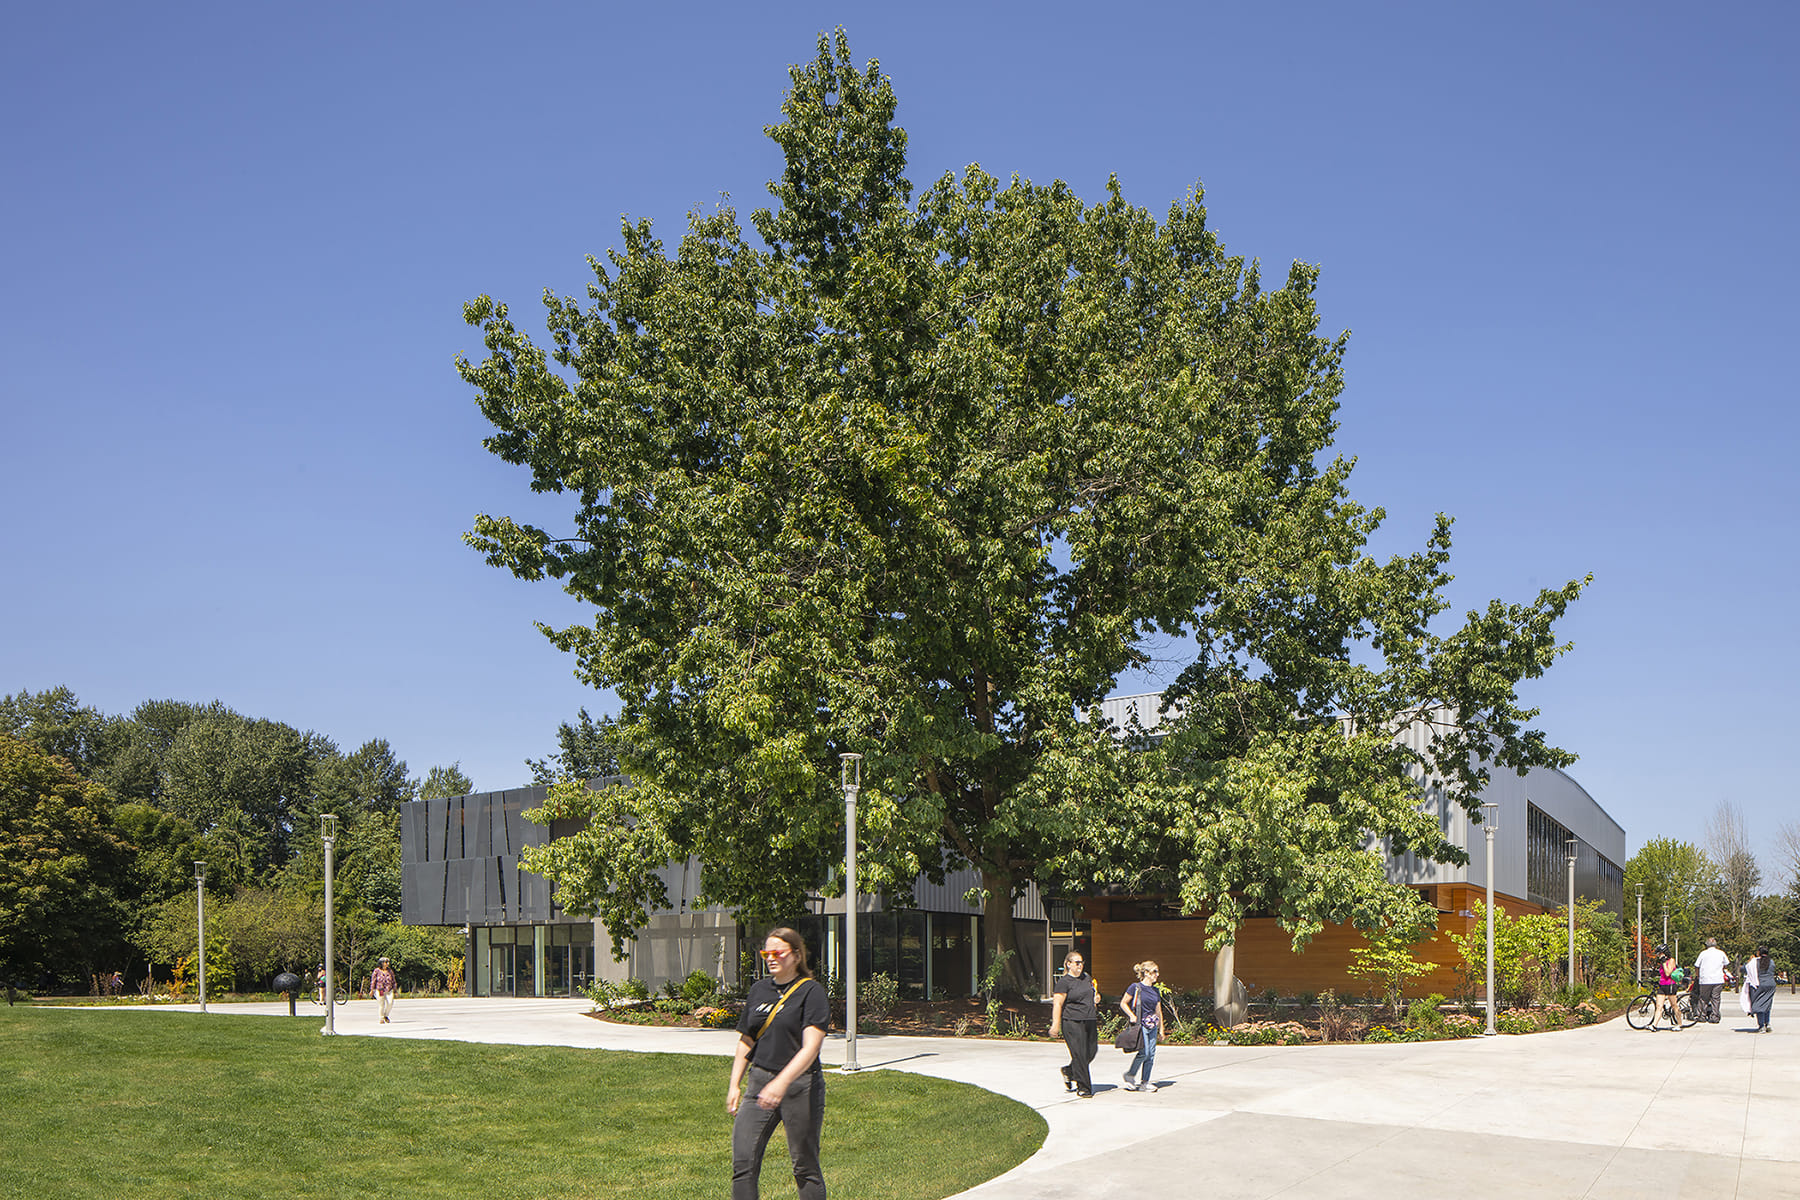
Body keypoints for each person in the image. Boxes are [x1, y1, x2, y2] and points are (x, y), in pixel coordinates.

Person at [728, 928, 828, 1200]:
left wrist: (781, 1082)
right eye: (766, 953)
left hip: (800, 1085)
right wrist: (735, 1084)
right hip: (759, 1082)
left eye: (778, 953)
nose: (771, 958)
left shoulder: (811, 992)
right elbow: (747, 1040)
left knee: (804, 1167)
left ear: (796, 955)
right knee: (743, 1164)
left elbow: (811, 1047)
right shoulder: (759, 989)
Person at [1049, 951, 1098, 1098]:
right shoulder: (1064, 982)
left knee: (1091, 1051)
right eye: (1076, 962)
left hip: (1089, 1019)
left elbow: (1093, 992)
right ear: (1068, 964)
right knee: (1080, 1054)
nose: (1080, 965)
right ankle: (1084, 1087)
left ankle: (1069, 1071)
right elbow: (1057, 1004)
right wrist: (1055, 1025)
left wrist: (1096, 997)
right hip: (1072, 1021)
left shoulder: (1086, 977)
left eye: (1081, 962)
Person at [1119, 960, 1163, 1094]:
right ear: (1146, 973)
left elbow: (1158, 1010)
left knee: (1151, 1055)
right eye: (1154, 971)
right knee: (1145, 1053)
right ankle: (1130, 1075)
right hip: (1141, 1025)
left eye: (1157, 971)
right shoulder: (1136, 987)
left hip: (1153, 1025)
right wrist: (1132, 1015)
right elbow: (1123, 1003)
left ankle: (1145, 1082)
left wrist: (1161, 1029)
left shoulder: (1155, 991)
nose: (1157, 975)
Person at [1694, 937, 1731, 1024]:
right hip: (1717, 979)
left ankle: (1702, 1015)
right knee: (1716, 999)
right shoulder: (1721, 953)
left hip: (1705, 979)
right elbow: (1726, 964)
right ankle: (1715, 1016)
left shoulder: (1703, 953)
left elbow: (1697, 965)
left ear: (1706, 945)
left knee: (1703, 998)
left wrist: (1698, 975)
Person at [1744, 945, 1775, 1033]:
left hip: (1760, 984)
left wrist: (1749, 961)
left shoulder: (1755, 962)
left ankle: (1761, 1025)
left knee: (1759, 1004)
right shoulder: (1771, 962)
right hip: (1770, 984)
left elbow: (1745, 969)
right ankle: (1767, 1023)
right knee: (1767, 1004)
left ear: (1759, 953)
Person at [1651, 946, 1682, 1030]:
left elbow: (1668, 973)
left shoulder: (1671, 961)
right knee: (1659, 1006)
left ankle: (1679, 1024)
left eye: (1660, 953)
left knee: (1674, 1005)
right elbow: (1661, 974)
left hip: (1670, 985)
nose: (1659, 955)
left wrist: (1664, 962)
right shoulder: (1661, 962)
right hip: (1662, 985)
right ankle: (1654, 1025)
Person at [370, 956, 397, 1024]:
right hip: (380, 990)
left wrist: (395, 990)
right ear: (381, 963)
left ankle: (386, 1015)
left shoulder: (390, 971)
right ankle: (381, 1018)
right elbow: (373, 980)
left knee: (390, 1003)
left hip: (389, 989)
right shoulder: (377, 971)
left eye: (388, 962)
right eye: (386, 962)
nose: (387, 963)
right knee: (381, 1004)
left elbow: (393, 980)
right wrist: (372, 990)